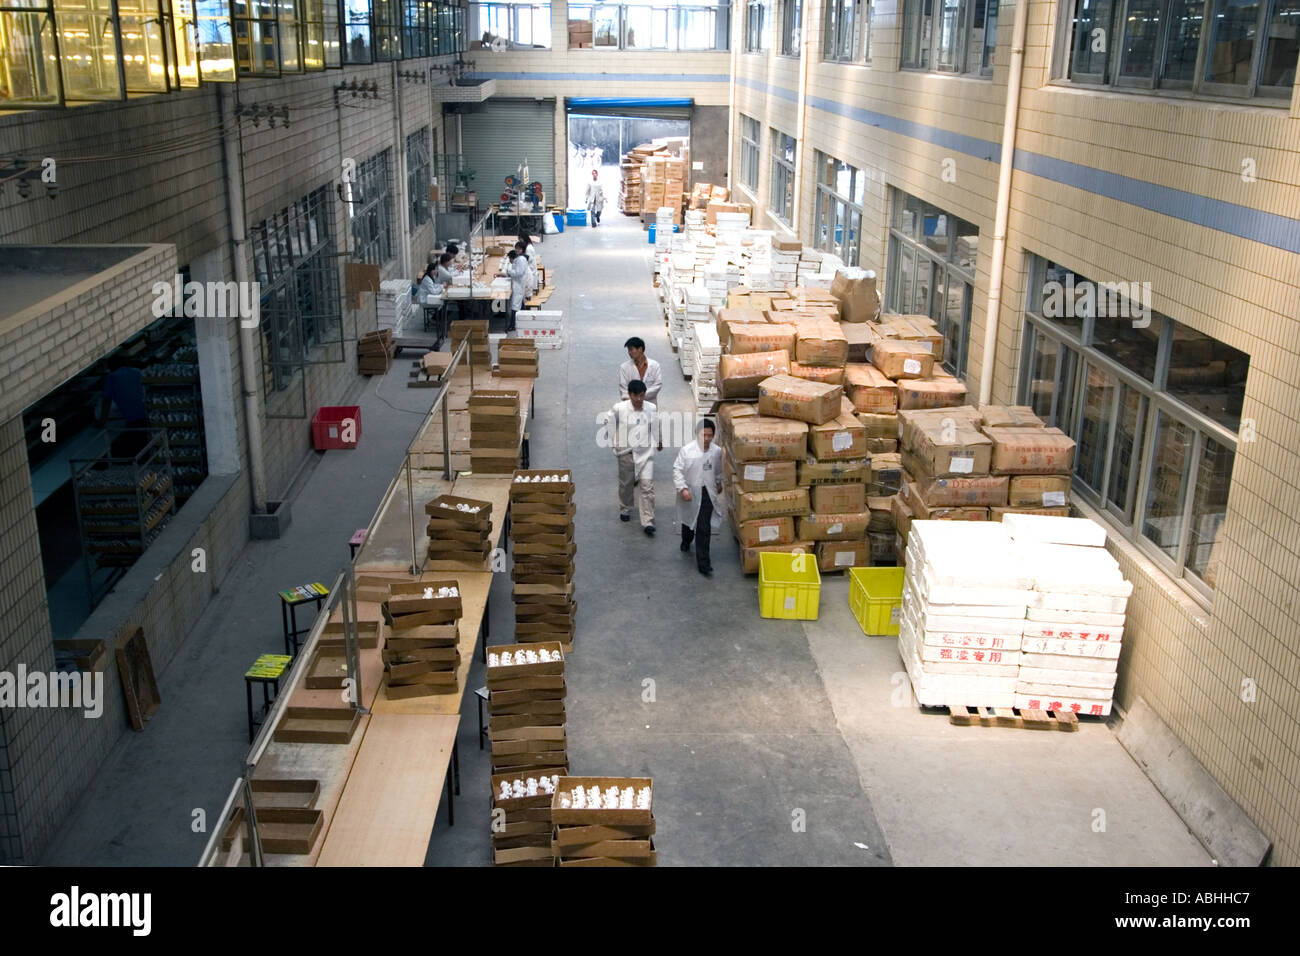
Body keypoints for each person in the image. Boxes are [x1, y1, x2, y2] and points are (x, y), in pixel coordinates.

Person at [606, 380, 661, 535]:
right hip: (626, 453)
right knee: (626, 484)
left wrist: (659, 440)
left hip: (646, 453)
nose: (638, 399)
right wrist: (613, 442)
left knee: (647, 486)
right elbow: (608, 422)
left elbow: (655, 426)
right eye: (635, 396)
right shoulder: (619, 408)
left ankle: (648, 520)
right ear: (629, 395)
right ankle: (625, 508)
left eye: (641, 396)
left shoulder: (651, 408)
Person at [673, 418, 723, 576]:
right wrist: (682, 488)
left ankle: (703, 563)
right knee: (689, 521)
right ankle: (686, 540)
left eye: (710, 435)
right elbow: (677, 470)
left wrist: (719, 482)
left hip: (707, 492)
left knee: (703, 527)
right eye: (704, 435)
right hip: (690, 491)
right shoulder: (687, 451)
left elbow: (718, 470)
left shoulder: (716, 451)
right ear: (697, 434)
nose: (707, 438)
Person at [98, 359, 149, 459]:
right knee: (147, 439)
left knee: (136, 444)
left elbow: (106, 402)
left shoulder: (111, 377)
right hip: (147, 411)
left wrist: (101, 422)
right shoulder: (137, 371)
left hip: (132, 418)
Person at [619, 336, 662, 404]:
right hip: (631, 405)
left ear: (640, 349)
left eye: (631, 349)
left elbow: (657, 385)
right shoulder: (624, 367)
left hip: (649, 404)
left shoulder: (654, 365)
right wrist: (634, 400)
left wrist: (640, 397)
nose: (629, 352)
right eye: (628, 350)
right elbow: (623, 388)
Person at [506, 248, 529, 333]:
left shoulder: (519, 261)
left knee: (515, 305)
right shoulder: (518, 261)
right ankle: (525, 318)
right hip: (518, 285)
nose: (510, 261)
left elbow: (518, 273)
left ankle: (512, 325)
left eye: (509, 259)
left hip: (518, 286)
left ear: (512, 258)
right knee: (520, 303)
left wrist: (509, 271)